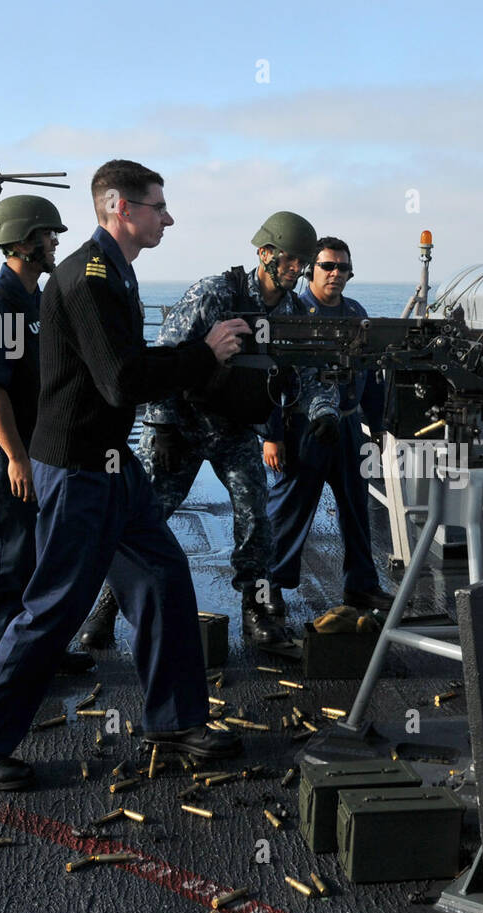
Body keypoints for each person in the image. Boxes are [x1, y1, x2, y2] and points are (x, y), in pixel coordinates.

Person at [0, 160, 245, 791]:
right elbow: (121, 379)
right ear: (120, 209)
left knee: (161, 575)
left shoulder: (114, 272)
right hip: (80, 467)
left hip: (111, 462)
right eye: (158, 206)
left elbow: (119, 369)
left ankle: (176, 721)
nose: (168, 216)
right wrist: (203, 353)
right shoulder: (89, 277)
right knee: (54, 607)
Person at [78, 212, 338, 650]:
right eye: (291, 260)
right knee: (144, 517)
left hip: (235, 429)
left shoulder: (293, 313)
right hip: (180, 423)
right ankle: (106, 605)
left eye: (304, 262)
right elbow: (162, 355)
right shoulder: (215, 294)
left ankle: (256, 612)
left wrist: (323, 413)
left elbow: (308, 378)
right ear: (265, 254)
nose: (298, 270)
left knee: (255, 518)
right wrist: (160, 424)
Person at [0, 194, 94, 680]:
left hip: (34, 447)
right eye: (47, 234)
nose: (55, 242)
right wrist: (16, 458)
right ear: (22, 242)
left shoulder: (35, 298)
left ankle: (36, 650)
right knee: (1, 559)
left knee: (37, 555)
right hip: (3, 452)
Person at [262, 237, 394, 615]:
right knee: (290, 510)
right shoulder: (292, 312)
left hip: (351, 428)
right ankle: (270, 586)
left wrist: (378, 426)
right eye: (328, 266)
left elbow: (370, 373)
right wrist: (271, 436)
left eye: (343, 268)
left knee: (357, 509)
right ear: (310, 269)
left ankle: (361, 587)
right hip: (303, 429)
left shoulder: (355, 312)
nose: (336, 274)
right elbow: (272, 379)